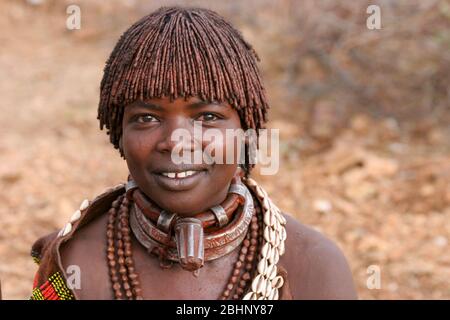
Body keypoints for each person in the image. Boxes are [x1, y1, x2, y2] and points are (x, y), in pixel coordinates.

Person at [30, 6, 357, 300]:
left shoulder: (313, 266)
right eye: (147, 118)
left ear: (245, 130)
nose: (176, 142)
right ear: (119, 132)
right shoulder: (73, 263)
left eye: (208, 117)